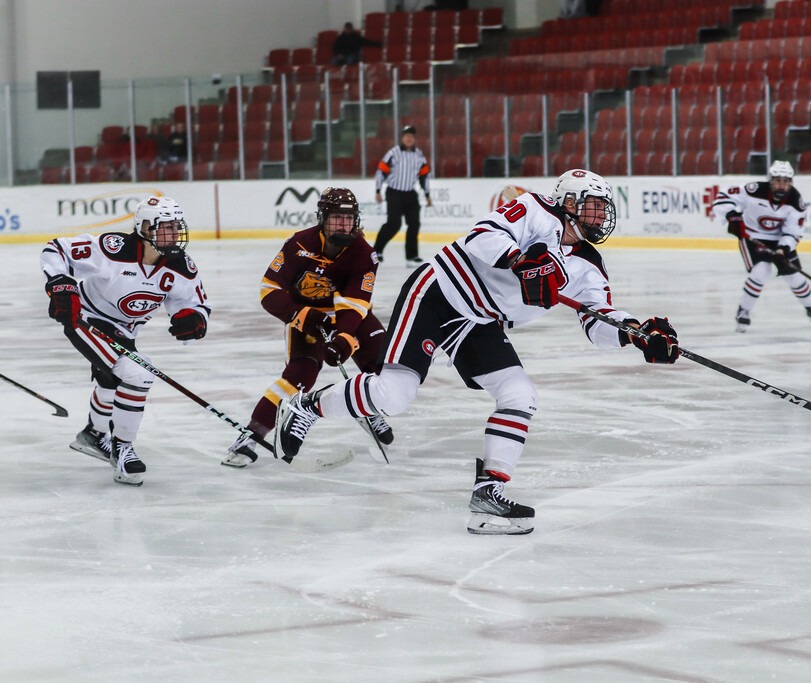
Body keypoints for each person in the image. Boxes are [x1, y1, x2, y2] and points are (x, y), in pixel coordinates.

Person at [274, 169, 681, 535]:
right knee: (393, 396)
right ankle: (306, 406)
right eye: (594, 206)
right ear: (570, 202)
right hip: (439, 292)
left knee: (520, 394)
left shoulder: (589, 265)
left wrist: (637, 333)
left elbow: (598, 321)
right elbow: (481, 236)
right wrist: (520, 261)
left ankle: (489, 493)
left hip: (480, 320)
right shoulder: (535, 210)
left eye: (603, 208)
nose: (601, 216)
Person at [39, 196, 210, 486]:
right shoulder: (113, 249)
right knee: (139, 374)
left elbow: (196, 303)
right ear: (144, 228)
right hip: (86, 319)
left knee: (111, 381)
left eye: (176, 226)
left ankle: (93, 435)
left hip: (125, 331)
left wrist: (194, 319)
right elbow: (55, 249)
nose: (174, 233)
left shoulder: (181, 266)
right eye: (166, 227)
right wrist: (60, 285)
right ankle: (123, 448)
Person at [222, 187, 393, 468]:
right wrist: (303, 315)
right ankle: (251, 436)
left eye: (348, 218)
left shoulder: (364, 254)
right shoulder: (298, 244)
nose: (343, 224)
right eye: (336, 218)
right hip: (306, 318)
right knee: (298, 377)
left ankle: (366, 405)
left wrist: (343, 337)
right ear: (322, 217)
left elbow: (354, 305)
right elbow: (269, 290)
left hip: (350, 317)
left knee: (384, 366)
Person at [713, 160, 811, 333]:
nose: (781, 185)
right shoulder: (754, 190)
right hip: (752, 237)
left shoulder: (795, 201)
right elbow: (723, 196)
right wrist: (731, 216)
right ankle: (743, 311)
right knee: (761, 271)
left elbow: (793, 232)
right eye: (777, 181)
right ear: (770, 181)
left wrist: (783, 249)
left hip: (779, 239)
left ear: (791, 182)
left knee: (795, 276)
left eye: (786, 181)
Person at [374, 125, 432, 267]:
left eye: (411, 136)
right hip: (394, 192)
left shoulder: (419, 155)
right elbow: (381, 172)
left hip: (410, 193)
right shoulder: (393, 153)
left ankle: (411, 256)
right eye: (406, 136)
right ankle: (377, 251)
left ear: (414, 139)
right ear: (402, 138)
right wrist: (378, 190)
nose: (409, 139)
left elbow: (424, 176)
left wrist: (427, 194)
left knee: (414, 223)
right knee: (394, 224)